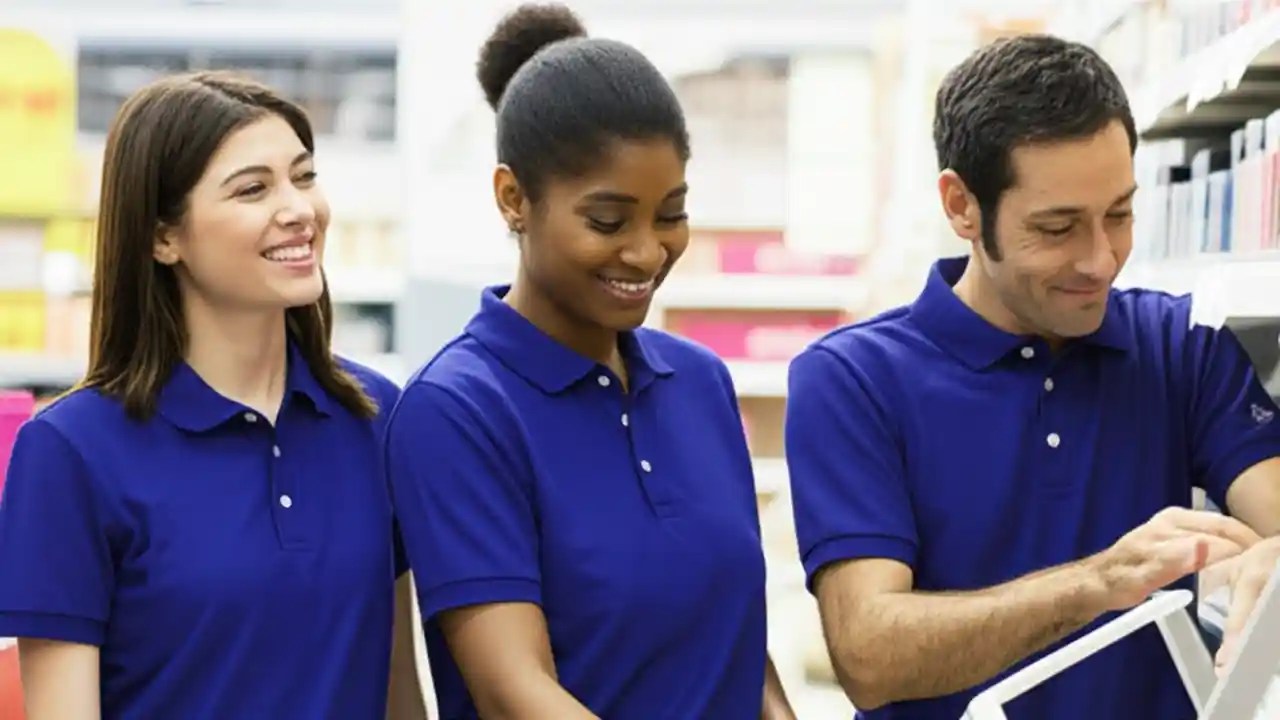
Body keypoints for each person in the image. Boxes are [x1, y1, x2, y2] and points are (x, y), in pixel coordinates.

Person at [785, 33, 1280, 720]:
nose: (1101, 260)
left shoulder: (1182, 347)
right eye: (1056, 228)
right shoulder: (852, 380)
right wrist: (1099, 582)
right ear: (962, 206)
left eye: (1119, 214)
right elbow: (869, 658)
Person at [384, 4, 795, 719]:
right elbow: (514, 693)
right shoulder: (456, 410)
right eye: (607, 221)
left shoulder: (700, 383)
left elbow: (739, 642)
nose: (647, 251)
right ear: (514, 198)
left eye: (671, 214)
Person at [0, 71, 425, 720]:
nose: (299, 210)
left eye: (304, 177)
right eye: (253, 188)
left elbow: (399, 692)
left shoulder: (376, 416)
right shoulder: (70, 453)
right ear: (162, 237)